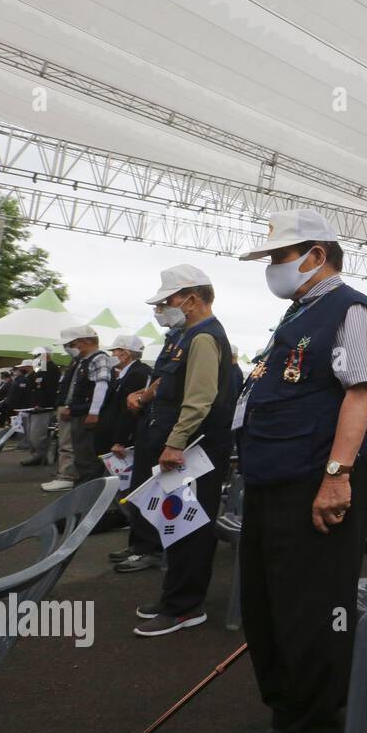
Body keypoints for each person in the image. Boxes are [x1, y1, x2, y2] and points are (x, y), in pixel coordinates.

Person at [234, 208, 367, 733]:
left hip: (313, 485)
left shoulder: (349, 309)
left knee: (310, 613)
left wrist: (337, 476)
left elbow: (360, 395)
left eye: (280, 256)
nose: (274, 268)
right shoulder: (297, 314)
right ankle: (288, 716)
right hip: (273, 482)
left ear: (317, 255)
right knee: (267, 609)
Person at [133, 266, 234, 637]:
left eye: (167, 301)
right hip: (187, 448)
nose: (162, 307)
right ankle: (174, 598)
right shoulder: (188, 335)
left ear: (191, 299)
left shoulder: (204, 337)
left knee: (189, 526)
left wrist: (175, 442)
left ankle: (185, 607)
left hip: (195, 450)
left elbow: (199, 399)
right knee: (175, 525)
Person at [113, 321, 184, 573]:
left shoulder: (193, 339)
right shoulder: (174, 337)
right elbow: (157, 381)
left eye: (167, 302)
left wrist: (143, 396)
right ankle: (139, 544)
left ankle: (151, 548)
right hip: (150, 425)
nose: (160, 309)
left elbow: (167, 384)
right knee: (140, 490)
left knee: (155, 495)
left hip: (164, 430)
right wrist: (140, 395)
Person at [92, 335, 154, 536]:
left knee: (123, 480)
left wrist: (121, 440)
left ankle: (127, 517)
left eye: (115, 351)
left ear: (126, 353)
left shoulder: (138, 373)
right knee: (118, 480)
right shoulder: (126, 373)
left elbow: (128, 411)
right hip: (114, 434)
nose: (113, 355)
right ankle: (122, 514)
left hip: (124, 438)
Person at [60, 325, 114, 486]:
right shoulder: (83, 360)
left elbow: (101, 385)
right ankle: (83, 487)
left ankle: (89, 490)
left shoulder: (99, 358)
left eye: (71, 344)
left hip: (87, 414)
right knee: (80, 453)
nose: (69, 349)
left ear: (84, 341)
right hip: (80, 412)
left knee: (87, 455)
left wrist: (94, 412)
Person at [40, 330, 81, 493]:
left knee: (67, 445)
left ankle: (67, 476)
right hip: (63, 405)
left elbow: (75, 387)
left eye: (69, 344)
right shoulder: (74, 362)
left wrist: (67, 405)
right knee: (64, 444)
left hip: (66, 407)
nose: (66, 348)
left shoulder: (78, 362)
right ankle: (63, 474)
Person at [20, 347, 60, 468]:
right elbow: (33, 387)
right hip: (34, 407)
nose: (35, 357)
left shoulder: (52, 369)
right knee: (31, 435)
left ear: (46, 355)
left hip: (44, 407)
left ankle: (41, 456)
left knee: (37, 435)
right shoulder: (40, 369)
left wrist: (43, 404)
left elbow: (51, 390)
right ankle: (36, 456)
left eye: (38, 355)